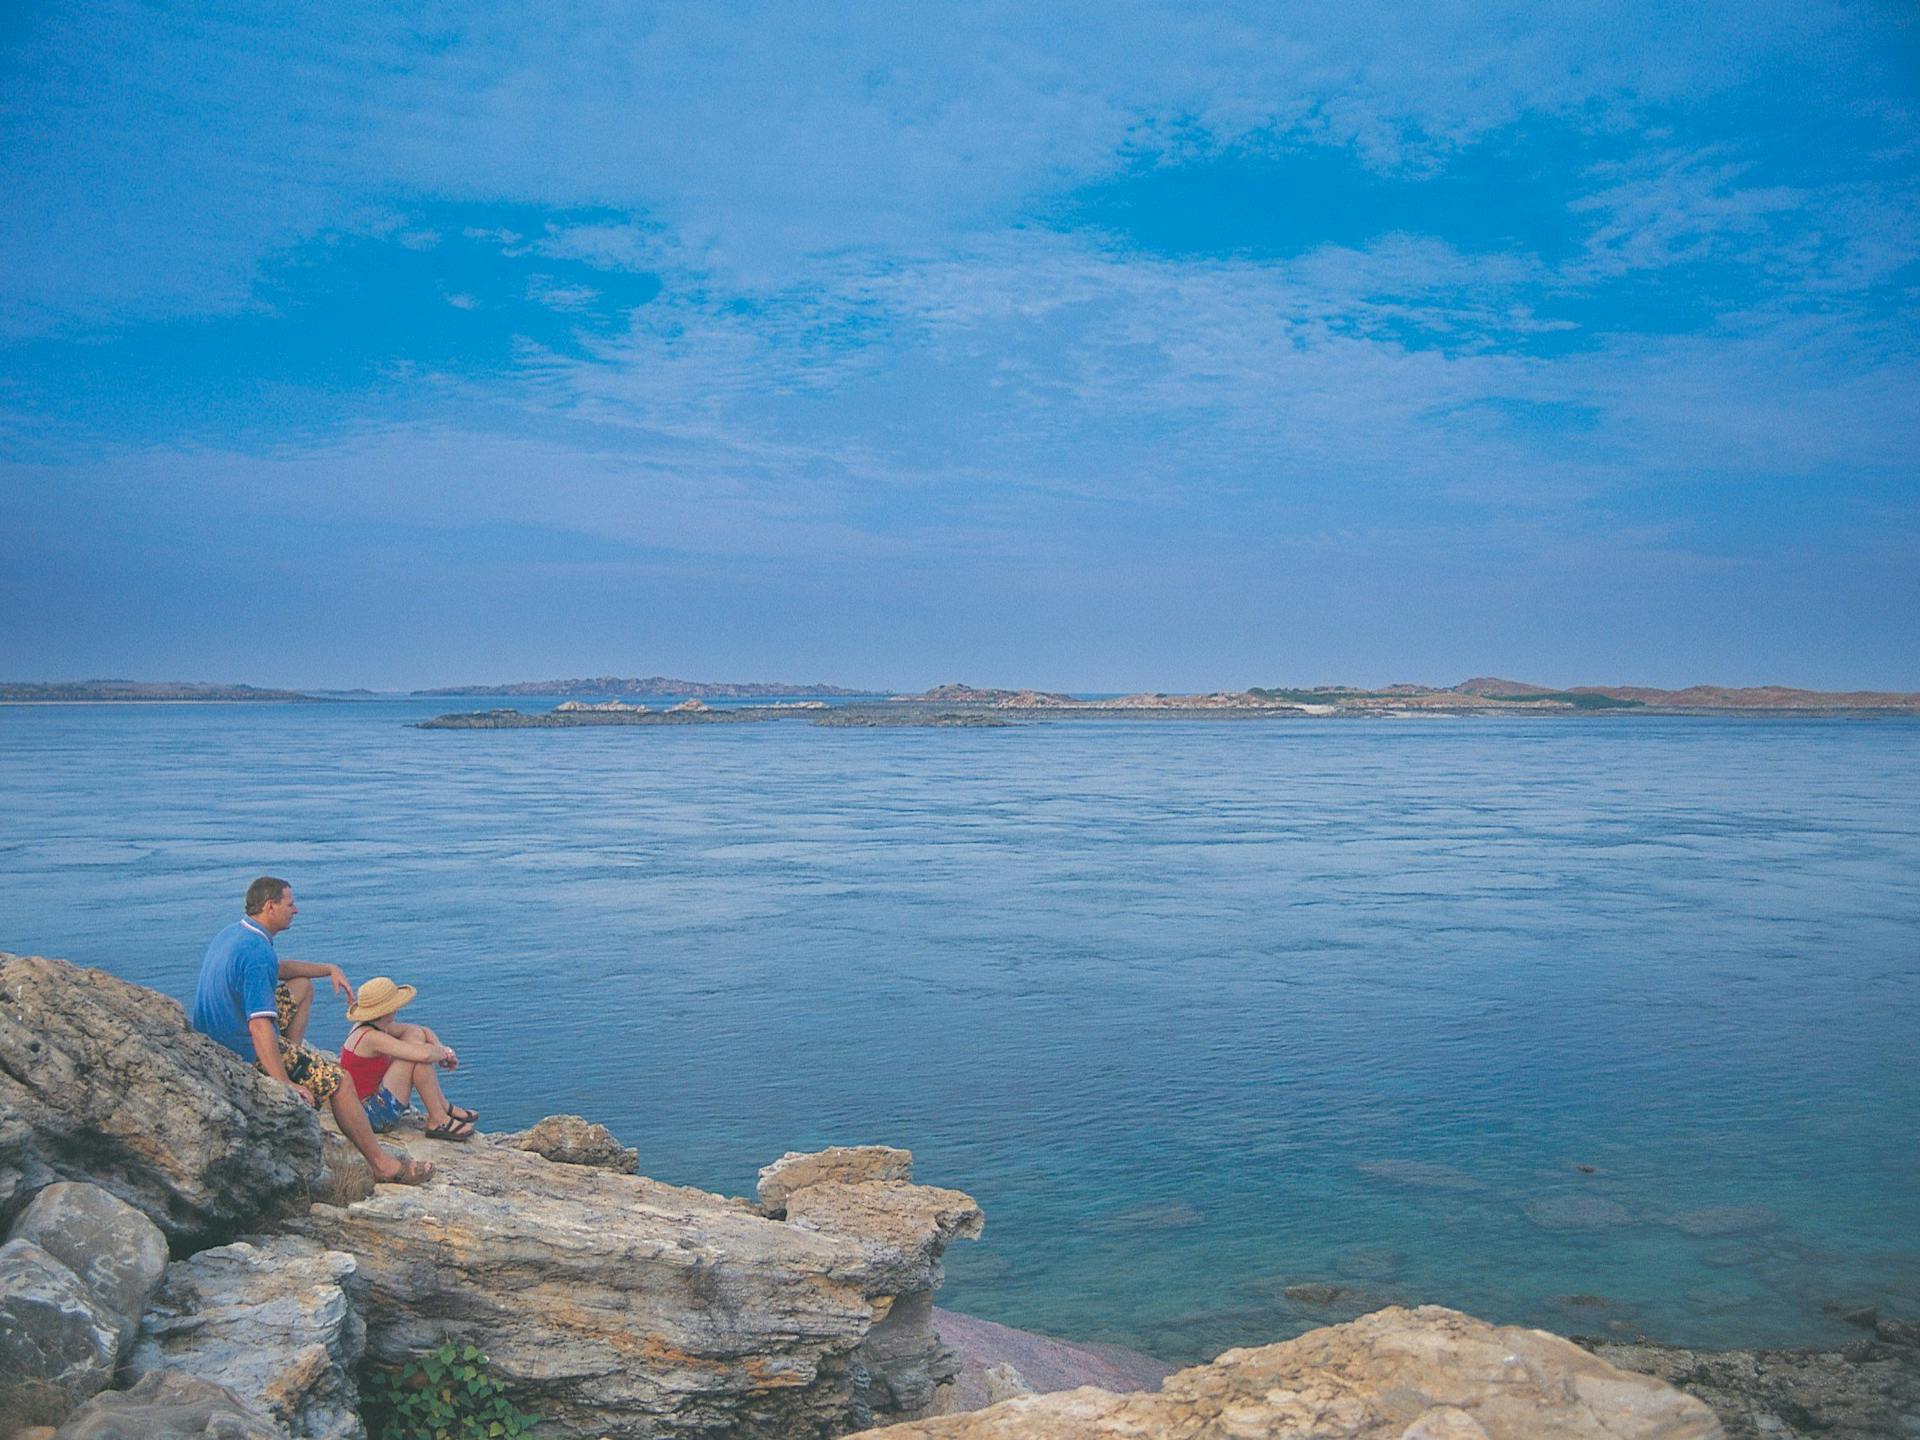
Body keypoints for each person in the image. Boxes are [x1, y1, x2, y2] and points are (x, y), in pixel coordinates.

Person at [192, 876, 433, 1185]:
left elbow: (278, 969)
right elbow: (259, 1025)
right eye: (290, 903)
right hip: (239, 1046)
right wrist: (282, 1084)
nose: (296, 910)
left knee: (302, 987)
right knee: (340, 1081)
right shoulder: (256, 954)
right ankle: (382, 1165)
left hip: (214, 1033)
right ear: (270, 906)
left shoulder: (236, 934)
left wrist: (328, 969)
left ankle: (292, 1058)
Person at [340, 977, 479, 1141]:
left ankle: (441, 1108)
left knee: (415, 1039)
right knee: (416, 1059)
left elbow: (420, 1030)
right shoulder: (371, 1037)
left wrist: (441, 1048)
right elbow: (424, 1055)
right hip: (369, 1116)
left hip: (367, 1106)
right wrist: (446, 1055)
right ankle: (439, 1118)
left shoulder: (371, 1027)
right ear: (391, 1009)